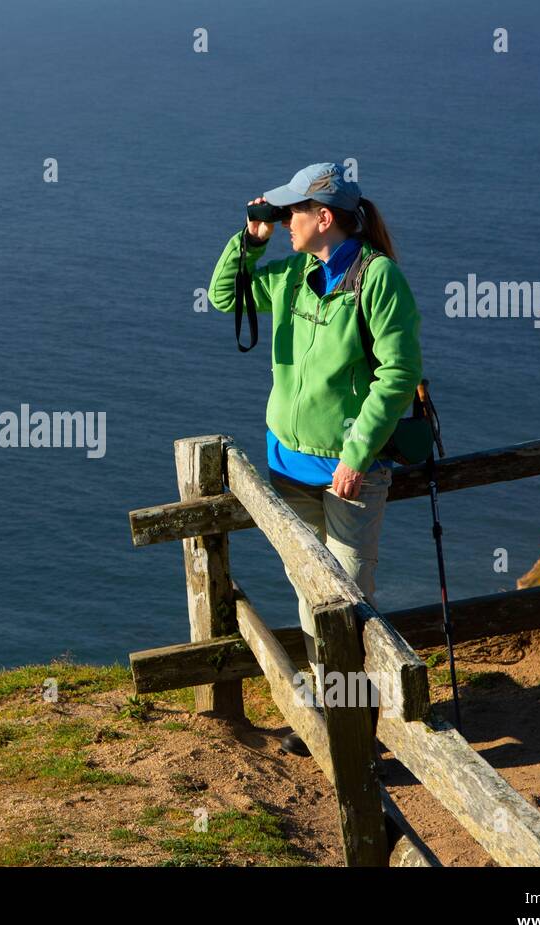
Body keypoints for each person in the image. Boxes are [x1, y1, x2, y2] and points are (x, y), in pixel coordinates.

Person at [207, 162, 423, 757]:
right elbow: (226, 296)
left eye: (290, 212)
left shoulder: (377, 280)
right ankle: (335, 718)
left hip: (348, 471)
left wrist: (357, 454)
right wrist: (248, 243)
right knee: (309, 592)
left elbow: (399, 374)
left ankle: (359, 732)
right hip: (288, 462)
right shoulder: (297, 275)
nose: (282, 220)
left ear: (322, 217)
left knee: (351, 600)